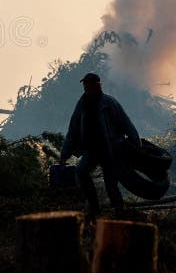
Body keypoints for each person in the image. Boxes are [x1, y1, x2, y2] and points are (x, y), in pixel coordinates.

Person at [59, 73, 140, 214]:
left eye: (88, 84)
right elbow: (73, 129)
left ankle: (119, 211)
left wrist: (136, 146)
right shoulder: (82, 104)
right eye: (84, 84)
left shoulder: (109, 103)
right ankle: (95, 208)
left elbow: (127, 124)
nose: (85, 87)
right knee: (81, 171)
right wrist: (64, 154)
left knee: (111, 184)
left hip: (110, 150)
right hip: (91, 150)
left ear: (97, 85)